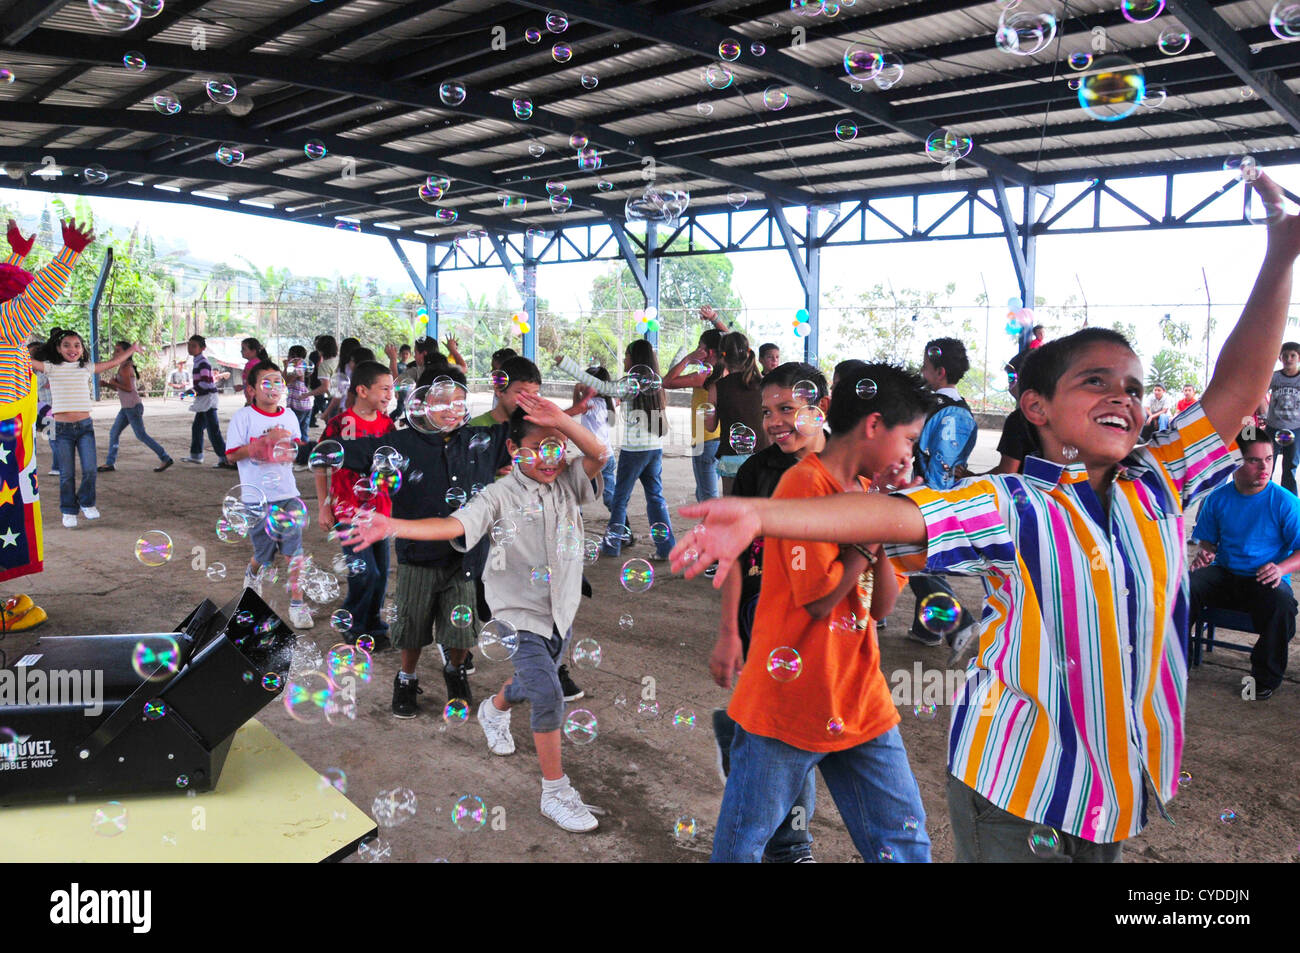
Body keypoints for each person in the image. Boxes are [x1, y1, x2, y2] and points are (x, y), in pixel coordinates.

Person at [671, 171, 1299, 863]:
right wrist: (759, 514)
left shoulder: (1162, 482)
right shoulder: (1014, 502)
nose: (1122, 396)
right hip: (1015, 781)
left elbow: (1238, 387)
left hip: (1114, 784)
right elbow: (901, 515)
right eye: (1095, 380)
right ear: (1036, 407)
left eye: (1134, 387)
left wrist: (1282, 254)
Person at [340, 393, 610, 833]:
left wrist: (562, 419)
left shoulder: (568, 482)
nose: (549, 457)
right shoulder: (497, 494)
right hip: (516, 617)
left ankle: (494, 708)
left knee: (529, 681)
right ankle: (555, 791)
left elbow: (601, 452)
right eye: (537, 447)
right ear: (511, 450)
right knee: (546, 694)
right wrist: (393, 526)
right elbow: (454, 525)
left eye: (557, 446)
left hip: (560, 610)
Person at [709, 363, 929, 863]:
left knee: (905, 842)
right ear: (873, 426)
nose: (909, 454)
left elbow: (881, 608)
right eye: (909, 439)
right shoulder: (803, 485)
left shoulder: (863, 494)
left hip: (858, 692)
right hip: (789, 698)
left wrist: (879, 519)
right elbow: (819, 598)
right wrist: (867, 540)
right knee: (746, 844)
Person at [333, 368, 511, 716]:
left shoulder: (483, 440)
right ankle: (407, 677)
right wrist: (296, 448)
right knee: (411, 629)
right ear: (421, 402)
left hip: (466, 558)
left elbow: (530, 437)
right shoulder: (401, 444)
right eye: (443, 400)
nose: (452, 409)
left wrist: (566, 417)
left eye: (459, 401)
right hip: (418, 557)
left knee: (462, 632)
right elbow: (352, 452)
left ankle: (455, 669)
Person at [708, 361, 832, 863]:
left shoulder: (843, 470)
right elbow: (734, 556)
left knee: (802, 735)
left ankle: (735, 733)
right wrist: (727, 632)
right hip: (763, 623)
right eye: (767, 412)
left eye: (787, 409)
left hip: (824, 626)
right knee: (785, 740)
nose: (775, 421)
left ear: (820, 408)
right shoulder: (756, 471)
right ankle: (792, 846)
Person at [0, 217, 94, 630]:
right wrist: (70, 251)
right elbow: (37, 296)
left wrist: (18, 256)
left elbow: (11, 287)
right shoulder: (8, 322)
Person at [1189, 431, 1300, 700]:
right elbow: (1208, 543)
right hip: (1226, 574)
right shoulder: (1217, 498)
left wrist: (1281, 569)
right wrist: (1205, 555)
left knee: (1282, 606)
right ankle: (1172, 659)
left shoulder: (1285, 502)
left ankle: (1265, 678)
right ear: (1234, 462)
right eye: (1253, 460)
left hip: (1264, 579)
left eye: (1269, 458)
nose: (1264, 468)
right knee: (1183, 587)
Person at [558, 340, 676, 561]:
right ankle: (667, 549)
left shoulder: (629, 385)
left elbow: (600, 386)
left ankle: (612, 547)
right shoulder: (654, 384)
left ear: (635, 359)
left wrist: (565, 363)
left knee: (620, 499)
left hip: (635, 453)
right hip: (654, 450)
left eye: (627, 355)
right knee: (656, 498)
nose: (624, 360)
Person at [224, 361, 312, 630]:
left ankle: (297, 604)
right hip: (256, 498)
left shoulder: (289, 417)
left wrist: (291, 449)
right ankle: (253, 572)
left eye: (278, 382)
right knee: (264, 554)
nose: (274, 388)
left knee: (293, 553)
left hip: (288, 494)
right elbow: (231, 456)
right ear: (251, 390)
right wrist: (264, 443)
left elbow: (295, 449)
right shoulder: (244, 418)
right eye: (266, 383)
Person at [315, 361, 395, 650]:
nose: (390, 394)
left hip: (381, 512)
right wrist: (325, 505)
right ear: (362, 390)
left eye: (392, 389)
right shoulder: (340, 424)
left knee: (381, 573)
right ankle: (352, 621)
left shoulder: (388, 424)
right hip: (349, 511)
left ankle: (374, 624)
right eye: (384, 388)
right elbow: (319, 463)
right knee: (366, 572)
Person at [908, 337, 978, 650]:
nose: (922, 373)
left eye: (925, 367)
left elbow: (941, 463)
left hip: (932, 496)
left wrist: (925, 498)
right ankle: (927, 629)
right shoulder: (961, 410)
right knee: (928, 562)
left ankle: (959, 622)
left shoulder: (944, 412)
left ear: (939, 372)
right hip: (942, 494)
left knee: (914, 562)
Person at [31, 329, 140, 528]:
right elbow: (27, 361)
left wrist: (132, 349)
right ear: (57, 348)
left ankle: (87, 502)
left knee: (90, 470)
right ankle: (68, 510)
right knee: (66, 474)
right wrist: (12, 344)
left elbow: (113, 363)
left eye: (77, 345)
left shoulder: (86, 368)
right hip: (62, 428)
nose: (72, 349)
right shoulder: (51, 368)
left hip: (84, 427)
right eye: (66, 345)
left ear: (82, 349)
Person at [663, 326, 725, 504]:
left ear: (709, 351)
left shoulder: (706, 373)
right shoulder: (726, 370)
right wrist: (715, 319)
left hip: (705, 439)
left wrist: (688, 359)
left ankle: (715, 530)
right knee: (704, 493)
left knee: (707, 498)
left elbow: (667, 381)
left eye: (700, 347)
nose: (697, 350)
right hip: (721, 438)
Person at [98, 340, 173, 473]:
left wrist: (114, 383)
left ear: (126, 353)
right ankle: (110, 463)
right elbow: (120, 389)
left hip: (132, 407)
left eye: (118, 350)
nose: (115, 353)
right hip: (127, 407)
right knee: (114, 432)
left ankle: (165, 457)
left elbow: (128, 388)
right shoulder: (123, 366)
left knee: (141, 435)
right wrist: (108, 385)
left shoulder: (126, 368)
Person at [707, 331, 769, 494]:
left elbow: (710, 426)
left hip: (731, 456)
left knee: (733, 512)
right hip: (762, 454)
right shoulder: (764, 384)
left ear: (722, 357)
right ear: (748, 354)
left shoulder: (716, 387)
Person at [182, 334, 234, 468]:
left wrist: (191, 391)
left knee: (213, 430)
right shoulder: (198, 362)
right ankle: (196, 455)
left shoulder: (203, 363)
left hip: (208, 400)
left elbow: (205, 384)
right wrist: (192, 391)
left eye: (194, 346)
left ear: (202, 348)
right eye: (189, 345)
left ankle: (225, 458)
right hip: (204, 399)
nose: (190, 348)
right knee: (197, 427)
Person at [572, 367, 617, 510]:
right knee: (610, 497)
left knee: (576, 493)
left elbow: (576, 407)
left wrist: (576, 391)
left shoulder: (590, 404)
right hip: (608, 456)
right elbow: (618, 400)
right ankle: (621, 524)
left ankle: (576, 522)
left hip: (592, 457)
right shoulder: (609, 402)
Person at [1264, 340, 1300, 493]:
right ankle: (1264, 495)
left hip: (1296, 428)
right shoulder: (1274, 377)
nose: (1289, 359)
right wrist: (1263, 412)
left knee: (1290, 466)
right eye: (1285, 356)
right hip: (1273, 428)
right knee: (1267, 464)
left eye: (1293, 355)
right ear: (1280, 358)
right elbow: (1259, 393)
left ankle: (1291, 501)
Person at [470, 355, 541, 427]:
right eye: (521, 393)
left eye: (535, 393)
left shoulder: (538, 428)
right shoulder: (474, 429)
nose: (529, 400)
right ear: (499, 389)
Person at [308, 334, 338, 428]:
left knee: (333, 431)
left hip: (333, 400)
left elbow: (325, 387)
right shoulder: (340, 360)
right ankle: (313, 419)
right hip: (345, 399)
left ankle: (316, 417)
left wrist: (306, 395)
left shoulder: (324, 365)